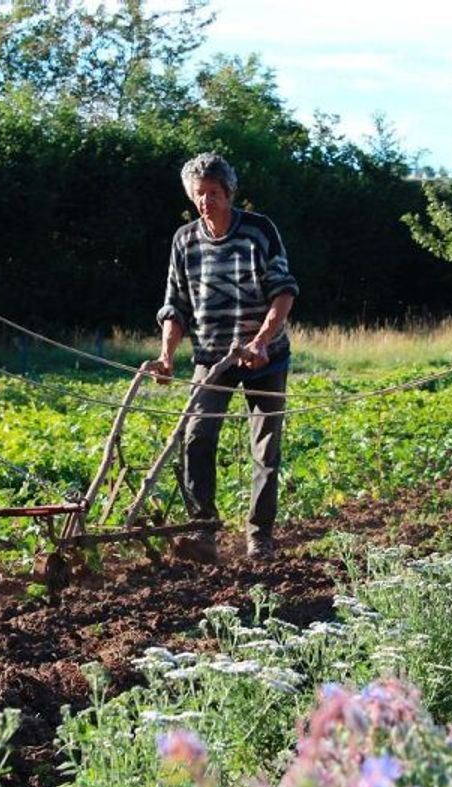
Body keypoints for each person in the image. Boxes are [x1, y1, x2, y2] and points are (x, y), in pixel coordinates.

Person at [149, 152, 298, 562]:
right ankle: (204, 531)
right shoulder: (185, 240)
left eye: (214, 192)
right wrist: (166, 356)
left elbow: (283, 290)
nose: (206, 201)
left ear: (229, 193)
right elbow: (175, 305)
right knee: (197, 436)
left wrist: (262, 340)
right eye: (200, 194)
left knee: (265, 447)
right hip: (212, 357)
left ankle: (259, 537)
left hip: (265, 357)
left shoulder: (258, 231)